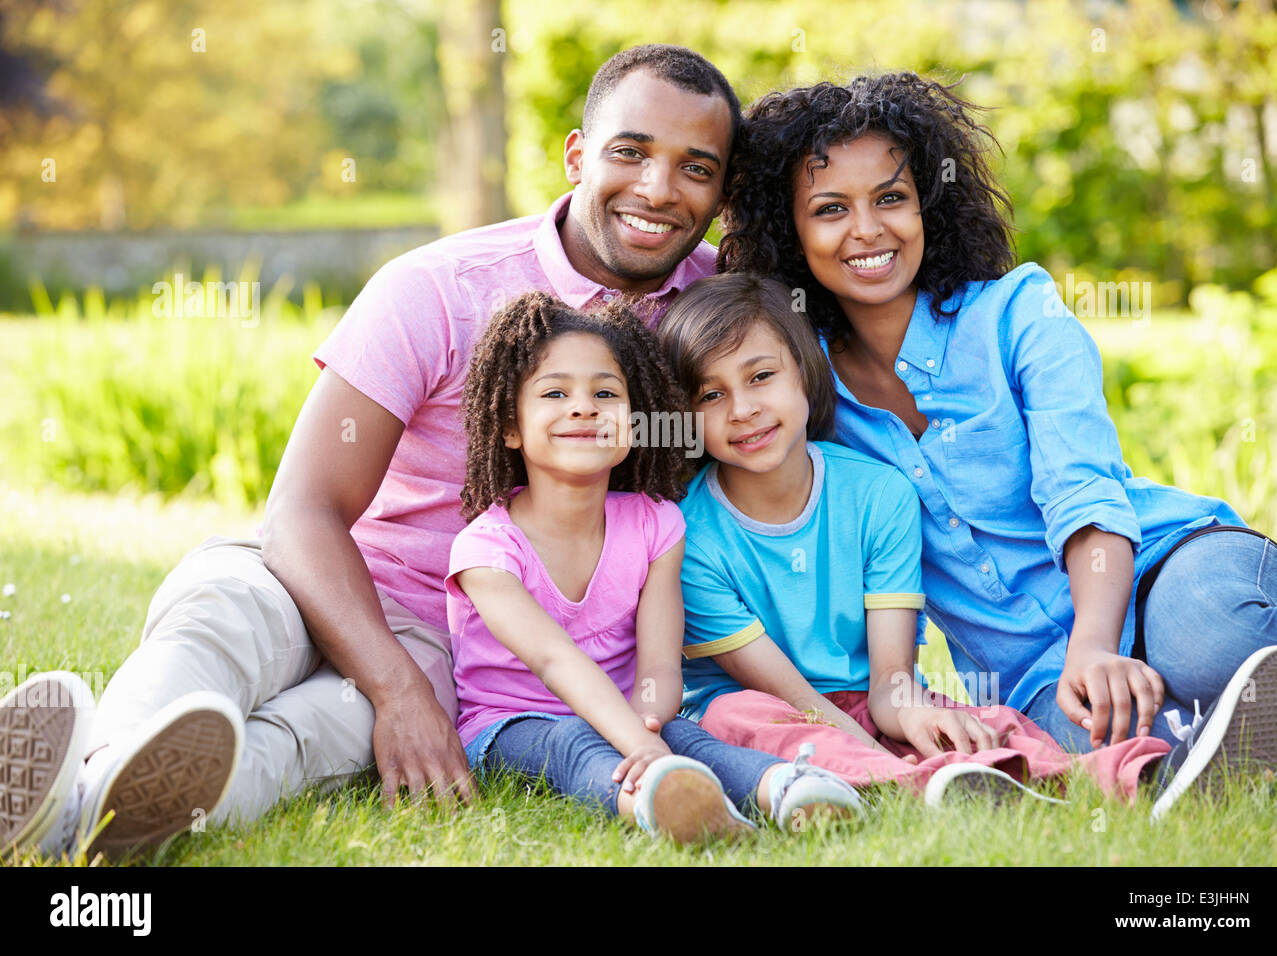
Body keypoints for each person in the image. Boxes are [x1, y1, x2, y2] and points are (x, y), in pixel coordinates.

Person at [0, 44, 748, 860]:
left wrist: (409, 685)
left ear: (720, 194)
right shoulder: (436, 287)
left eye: (695, 168)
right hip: (309, 571)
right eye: (630, 151)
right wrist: (394, 689)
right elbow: (303, 510)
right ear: (577, 155)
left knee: (304, 740)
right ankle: (98, 774)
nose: (657, 189)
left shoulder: (709, 325)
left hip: (437, 631)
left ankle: (83, 823)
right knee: (214, 624)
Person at [717, 73, 1277, 815]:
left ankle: (1225, 720)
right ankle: (1226, 763)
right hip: (1031, 675)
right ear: (789, 232)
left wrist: (1094, 646)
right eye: (830, 210)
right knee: (1111, 752)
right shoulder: (802, 393)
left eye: (891, 198)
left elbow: (1083, 492)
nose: (867, 230)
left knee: (1214, 649)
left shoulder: (1018, 315)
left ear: (929, 203)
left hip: (1166, 571)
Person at [657, 271, 1170, 806]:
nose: (742, 410)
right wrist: (875, 751)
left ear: (806, 373)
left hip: (867, 700)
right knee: (740, 715)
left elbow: (889, 684)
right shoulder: (688, 536)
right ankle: (920, 786)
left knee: (981, 721)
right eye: (711, 395)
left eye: (761, 376)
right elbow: (793, 697)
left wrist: (916, 717)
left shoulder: (879, 494)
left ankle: (1122, 773)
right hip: (767, 712)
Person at [445, 291, 861, 841]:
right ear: (510, 427)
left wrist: (649, 722)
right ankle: (659, 801)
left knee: (692, 738)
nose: (583, 407)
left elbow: (661, 665)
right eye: (554, 393)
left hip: (628, 712)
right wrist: (639, 744)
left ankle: (788, 788)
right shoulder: (487, 549)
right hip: (511, 726)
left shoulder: (656, 525)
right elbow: (555, 662)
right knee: (572, 745)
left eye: (605, 393)